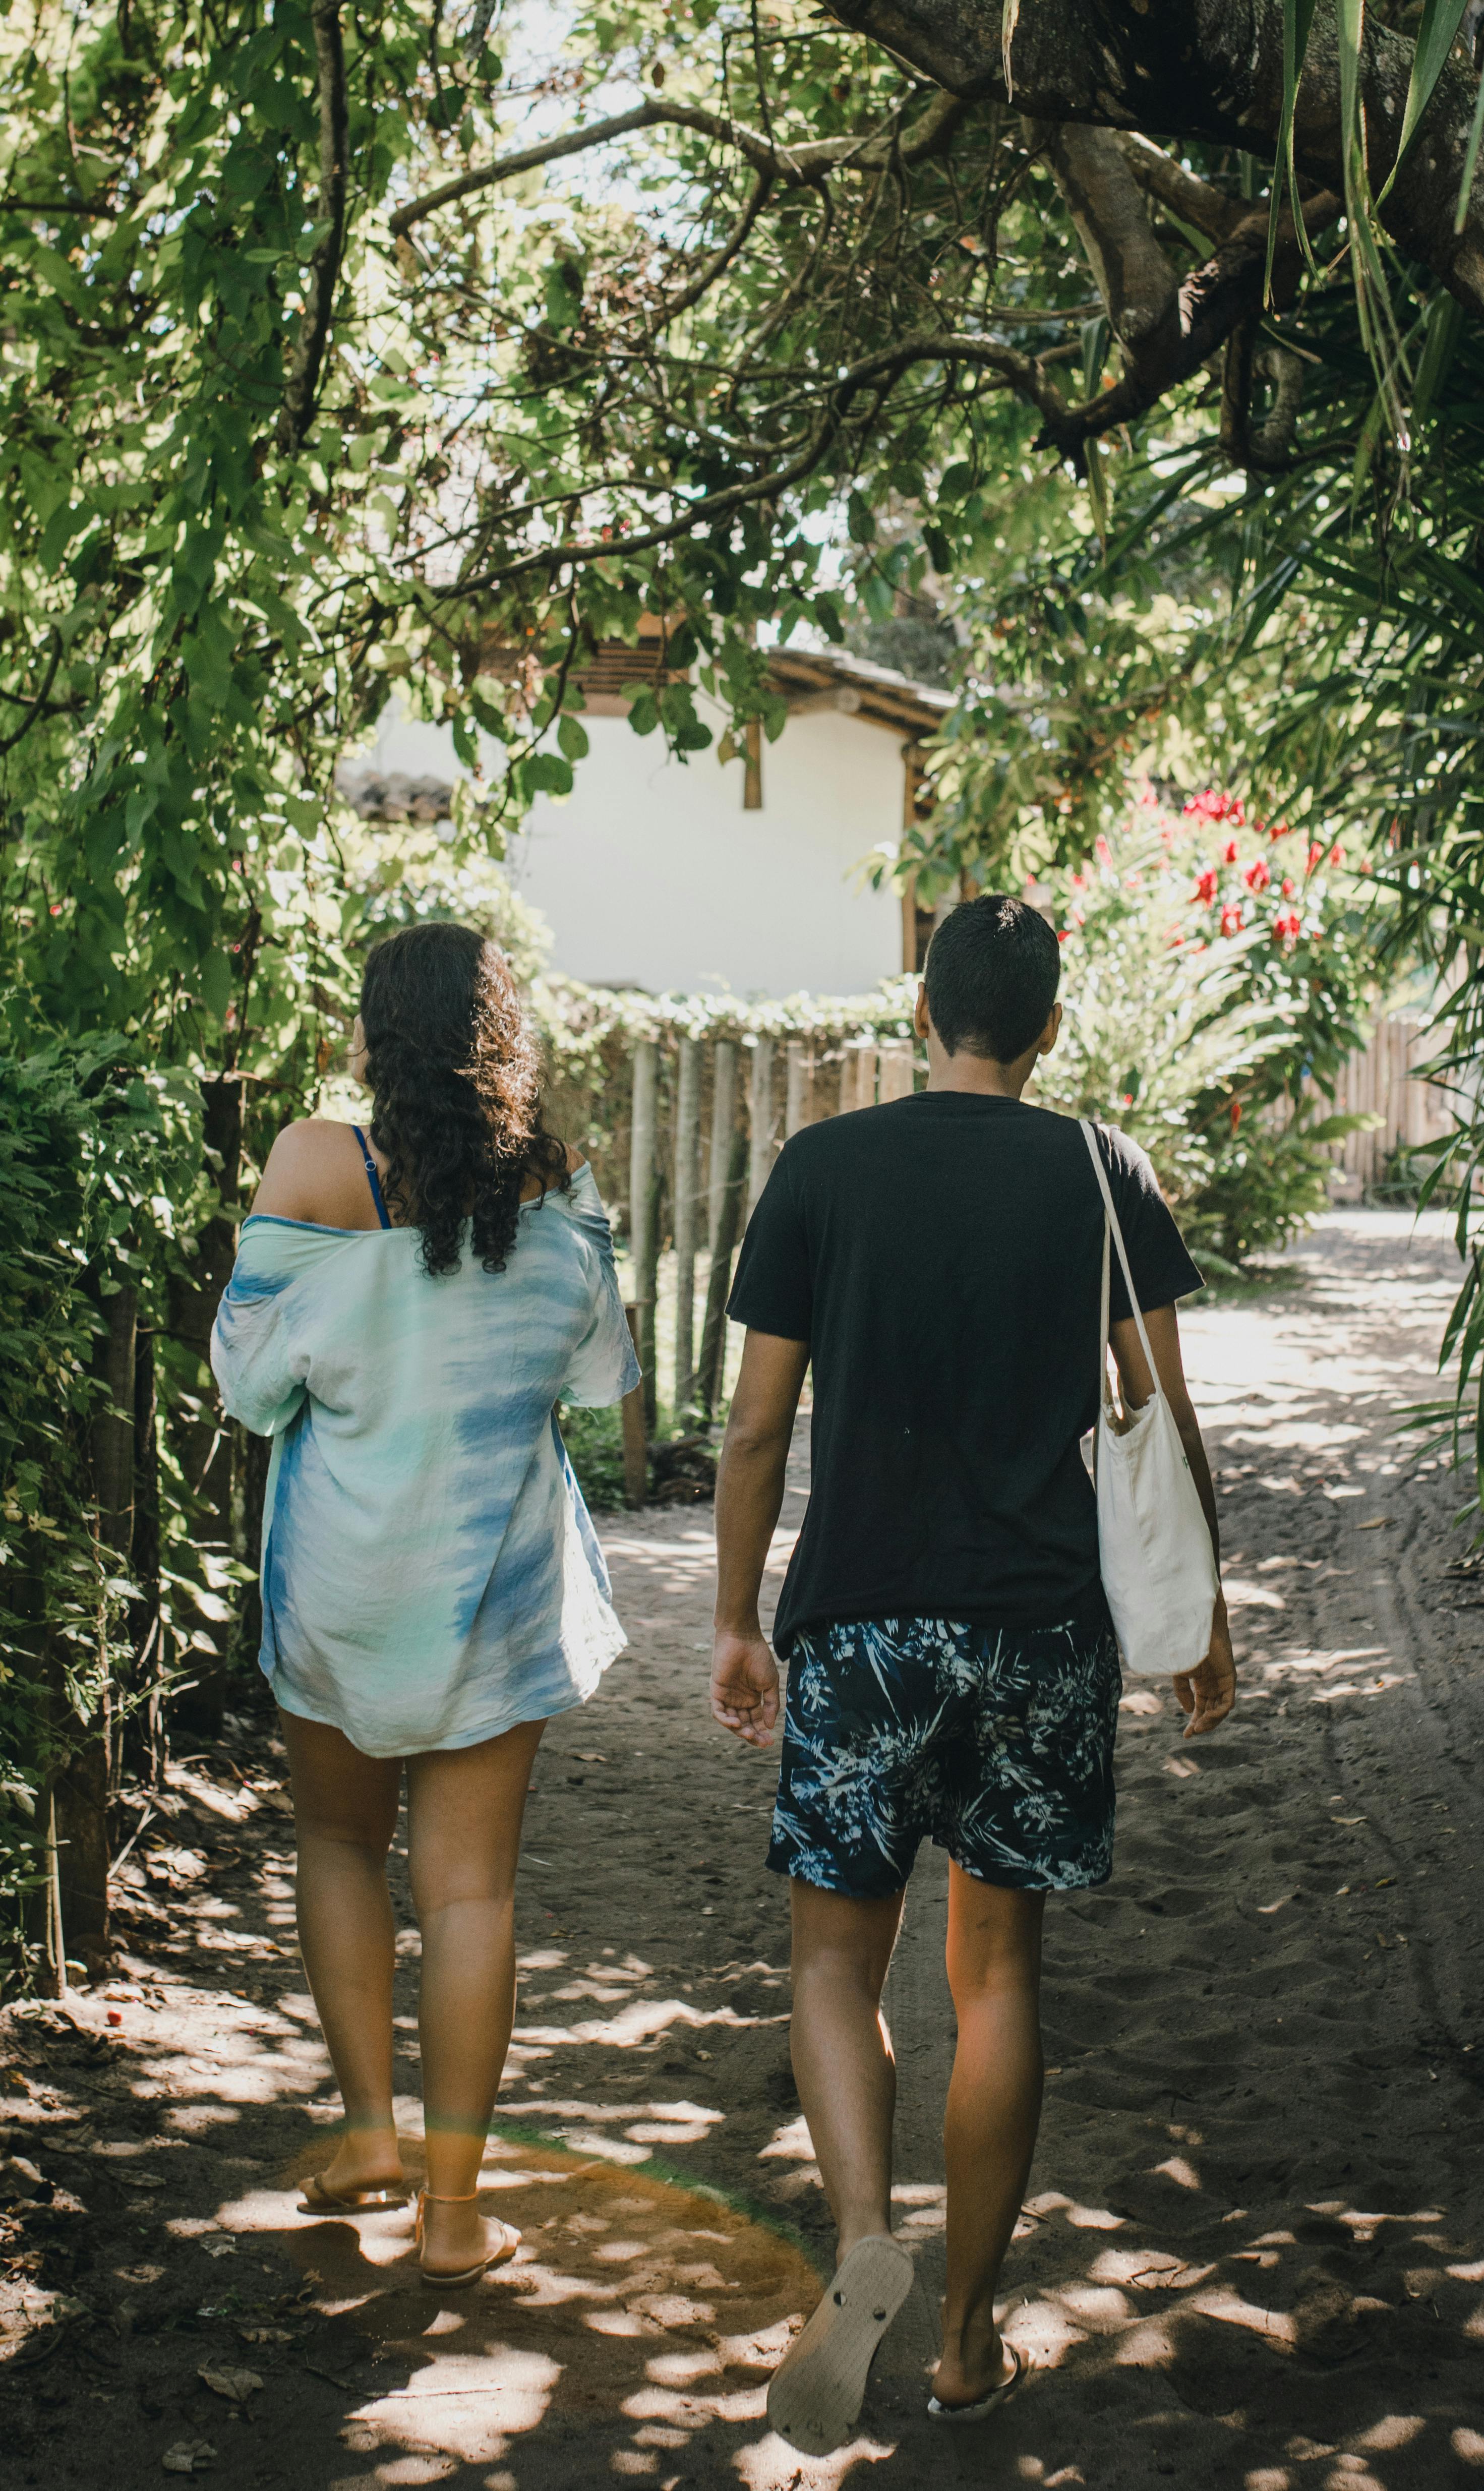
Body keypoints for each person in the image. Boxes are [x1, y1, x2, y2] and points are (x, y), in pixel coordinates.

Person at [709, 893, 1235, 2452]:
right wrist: (1206, 1613)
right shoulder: (1102, 1169)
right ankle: (961, 2341)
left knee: (832, 1966)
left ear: (923, 1010)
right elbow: (1165, 1414)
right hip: (1038, 1628)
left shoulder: (823, 1168)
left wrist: (737, 1615)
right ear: (1050, 1026)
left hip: (863, 1625)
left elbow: (754, 1425)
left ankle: (867, 2234)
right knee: (997, 1978)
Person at [212, 921, 637, 2287]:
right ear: (501, 1037)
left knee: (339, 1845)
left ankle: (368, 2138)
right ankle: (454, 2213)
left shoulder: (312, 1164)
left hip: (343, 1590)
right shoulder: (551, 1184)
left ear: (374, 1035)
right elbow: (599, 1374)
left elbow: (249, 1385)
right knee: (470, 1895)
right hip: (498, 1594)